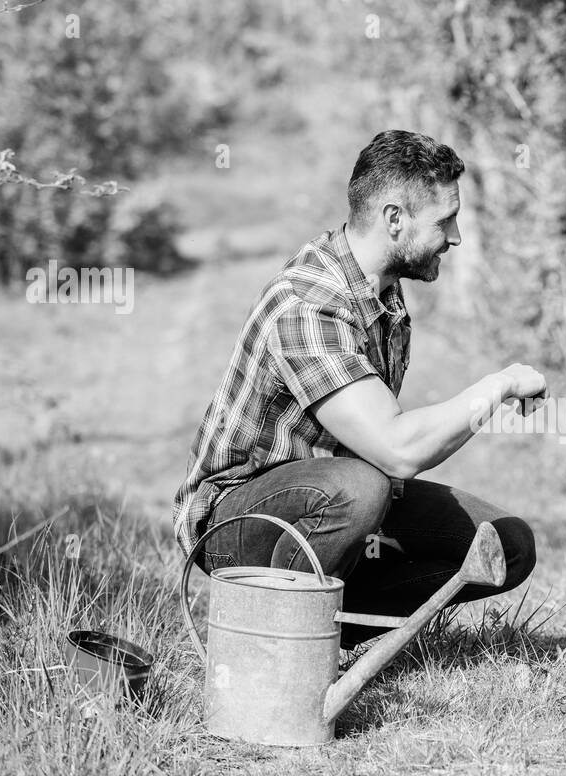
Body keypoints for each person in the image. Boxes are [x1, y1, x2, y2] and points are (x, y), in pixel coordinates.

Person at [174, 129, 544, 648]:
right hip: (236, 524)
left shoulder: (383, 294)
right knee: (359, 488)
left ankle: (325, 626)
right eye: (445, 221)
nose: (456, 236)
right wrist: (498, 385)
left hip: (331, 508)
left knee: (507, 545)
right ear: (395, 219)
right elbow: (398, 449)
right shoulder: (307, 303)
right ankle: (271, 646)